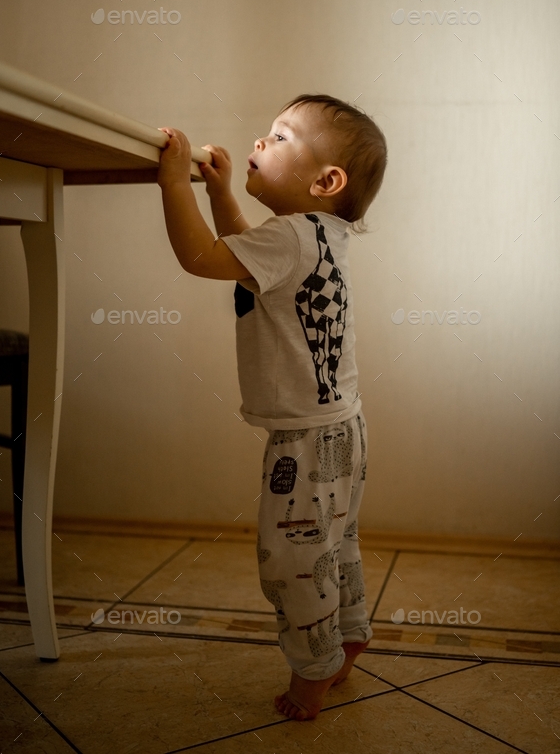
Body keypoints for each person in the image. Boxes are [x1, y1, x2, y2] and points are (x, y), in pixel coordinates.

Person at [157, 94, 387, 720]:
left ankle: (311, 675)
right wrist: (217, 194)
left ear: (325, 181)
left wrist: (173, 183)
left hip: (306, 442)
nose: (261, 140)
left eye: (281, 137)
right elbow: (245, 254)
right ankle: (349, 632)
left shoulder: (289, 236)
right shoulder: (317, 235)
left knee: (291, 561)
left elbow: (203, 257)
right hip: (345, 425)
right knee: (335, 545)